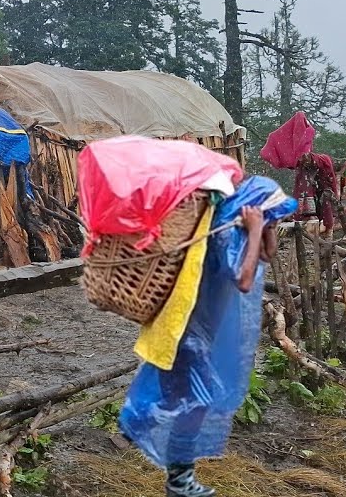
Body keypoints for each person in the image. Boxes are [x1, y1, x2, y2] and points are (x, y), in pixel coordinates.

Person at [119, 176, 293, 497]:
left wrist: (265, 225)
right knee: (198, 400)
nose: (275, 220)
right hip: (191, 331)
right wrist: (255, 228)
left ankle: (141, 425)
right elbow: (243, 280)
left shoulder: (241, 230)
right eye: (271, 212)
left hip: (203, 331)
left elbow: (267, 255)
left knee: (181, 394)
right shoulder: (227, 234)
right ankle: (176, 477)